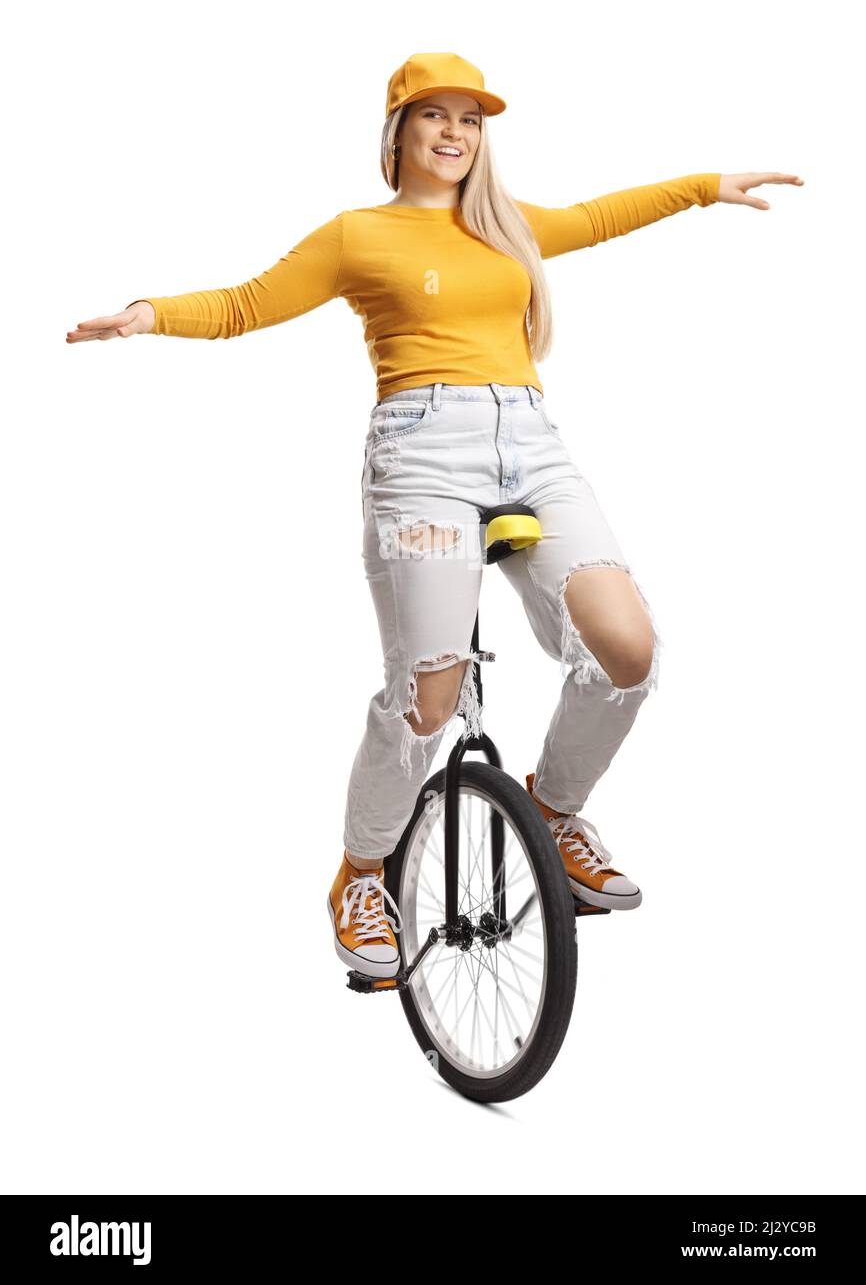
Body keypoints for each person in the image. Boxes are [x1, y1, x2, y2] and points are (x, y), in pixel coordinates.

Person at [66, 52, 803, 980]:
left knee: (629, 650)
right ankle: (364, 875)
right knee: (429, 697)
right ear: (398, 131)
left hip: (531, 445)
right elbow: (248, 303)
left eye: (472, 119)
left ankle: (554, 811)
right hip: (420, 456)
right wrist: (148, 314)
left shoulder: (507, 227)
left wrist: (704, 186)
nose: (455, 133)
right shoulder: (357, 234)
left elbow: (603, 215)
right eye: (435, 116)